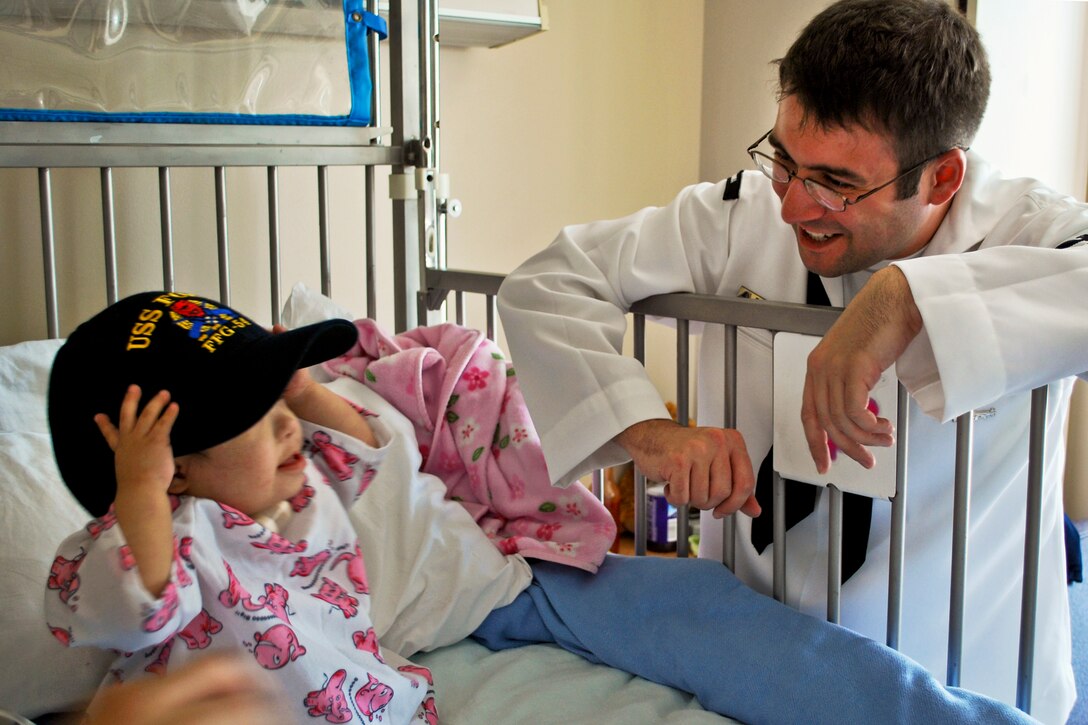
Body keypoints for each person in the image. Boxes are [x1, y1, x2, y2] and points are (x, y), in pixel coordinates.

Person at [495, 1, 1087, 722]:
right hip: (749, 651)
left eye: (838, 183)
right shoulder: (738, 213)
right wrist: (651, 434)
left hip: (963, 671)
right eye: (784, 159)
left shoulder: (1035, 230)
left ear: (941, 178)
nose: (792, 207)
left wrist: (905, 300)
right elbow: (547, 283)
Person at [44, 291, 438, 724]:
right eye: (258, 415)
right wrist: (140, 493)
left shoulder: (302, 484)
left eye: (281, 402)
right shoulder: (167, 540)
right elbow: (139, 613)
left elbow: (360, 451)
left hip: (372, 703)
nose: (291, 424)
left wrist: (303, 391)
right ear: (172, 473)